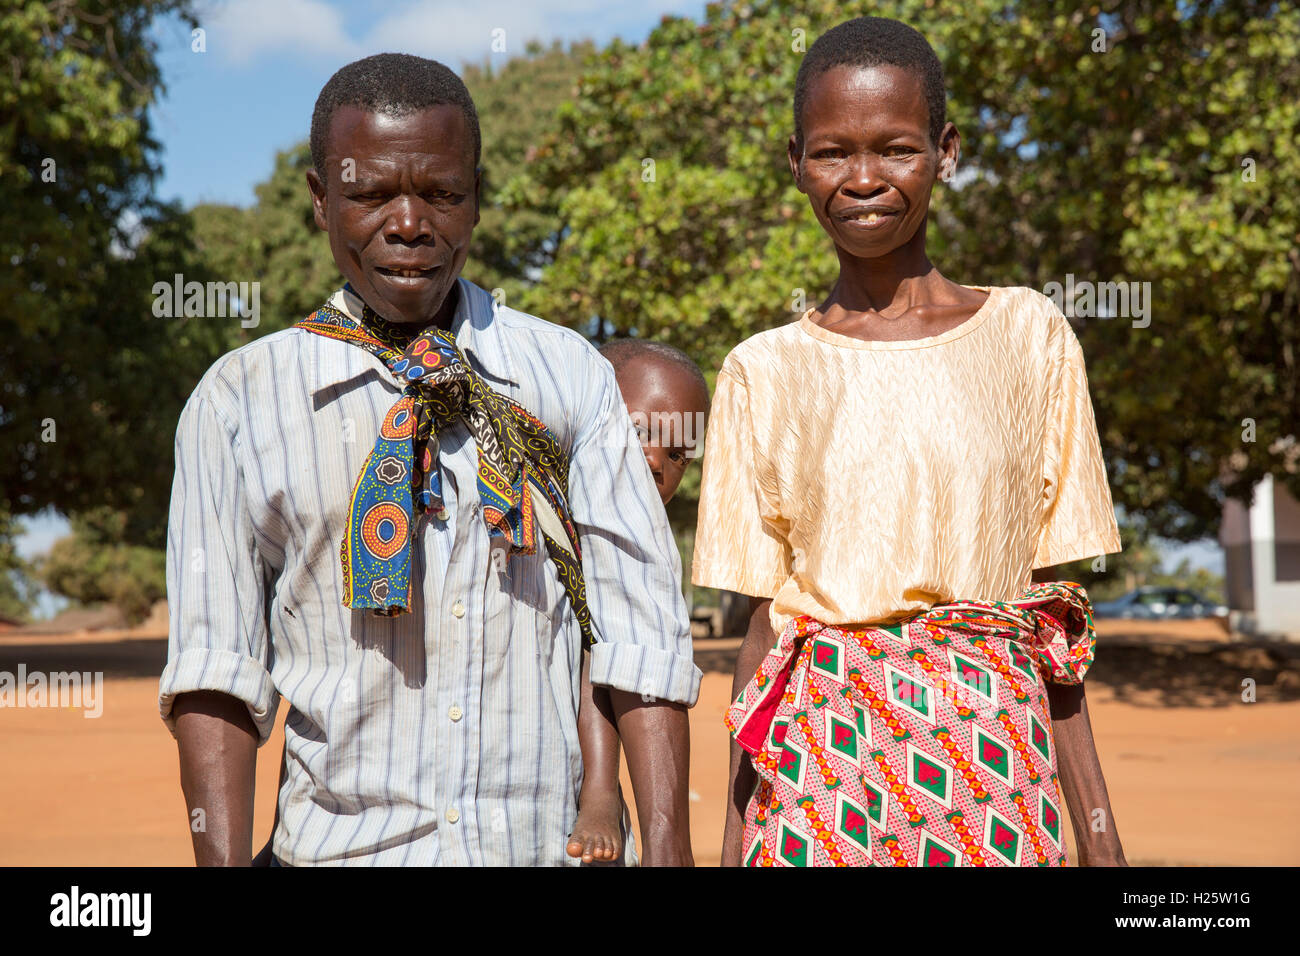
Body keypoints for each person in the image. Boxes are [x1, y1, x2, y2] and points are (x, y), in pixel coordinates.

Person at [160, 53, 699, 866]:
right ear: (320, 200)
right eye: (371, 194)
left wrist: (666, 849)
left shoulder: (569, 376)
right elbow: (216, 671)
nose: (409, 224)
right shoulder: (239, 402)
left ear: (476, 199)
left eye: (441, 194)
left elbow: (638, 630)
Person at [693, 17, 1128, 867]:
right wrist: (735, 838)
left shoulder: (1030, 336)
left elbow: (1050, 621)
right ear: (795, 162)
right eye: (831, 153)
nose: (862, 179)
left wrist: (1104, 849)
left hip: (996, 761)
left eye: (895, 149)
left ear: (946, 152)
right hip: (820, 768)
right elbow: (761, 631)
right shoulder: (760, 371)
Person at [566, 339, 711, 863]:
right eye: (639, 434)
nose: (656, 461)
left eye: (677, 453)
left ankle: (601, 787)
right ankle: (601, 785)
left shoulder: (647, 543)